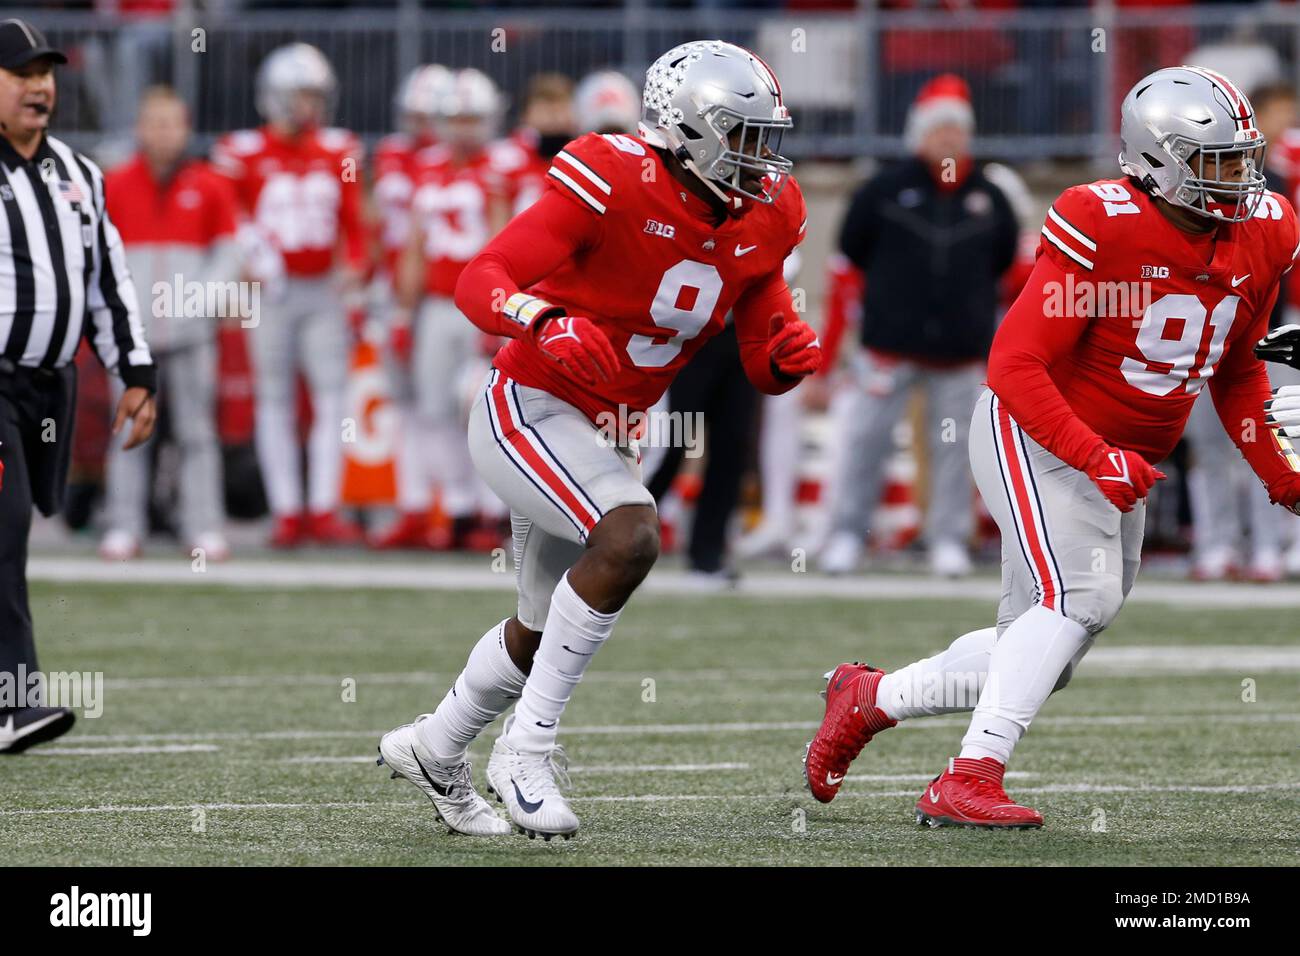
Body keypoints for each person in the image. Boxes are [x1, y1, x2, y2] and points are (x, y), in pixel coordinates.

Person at [805, 66, 1300, 828]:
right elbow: (1014, 365)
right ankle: (968, 776)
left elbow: (1235, 370)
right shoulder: (1102, 219)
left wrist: (1280, 474)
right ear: (1158, 160)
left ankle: (872, 697)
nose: (1240, 176)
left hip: (1122, 456)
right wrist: (1094, 455)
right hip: (1035, 428)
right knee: (1078, 597)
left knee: (1045, 655)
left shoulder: (1269, 227)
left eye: (1243, 157)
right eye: (1217, 161)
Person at [377, 40, 821, 839]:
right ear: (688, 130)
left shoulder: (768, 213)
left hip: (612, 427)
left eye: (767, 137)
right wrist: (543, 319)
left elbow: (761, 349)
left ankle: (436, 747)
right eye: (745, 137)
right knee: (631, 534)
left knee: (540, 625)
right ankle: (527, 751)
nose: (764, 160)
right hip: (530, 405)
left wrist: (787, 355)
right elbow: (483, 277)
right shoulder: (611, 175)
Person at [0, 18, 156, 752]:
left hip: (47, 390)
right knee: (4, 528)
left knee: (22, 524)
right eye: (21, 72)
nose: (39, 86)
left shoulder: (78, 172)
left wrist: (135, 372)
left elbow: (107, 283)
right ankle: (18, 700)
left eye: (46, 72)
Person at [820, 74, 1019, 578]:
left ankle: (947, 537)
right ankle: (847, 533)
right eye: (940, 127)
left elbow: (1003, 266)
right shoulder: (882, 191)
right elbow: (851, 254)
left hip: (959, 350)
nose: (949, 137)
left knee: (955, 449)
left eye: (958, 128)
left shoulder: (991, 197)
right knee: (867, 441)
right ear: (919, 133)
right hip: (889, 345)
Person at [212, 43, 368, 548]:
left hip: (322, 288)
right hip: (271, 293)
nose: (310, 105)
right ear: (275, 96)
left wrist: (356, 266)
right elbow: (229, 221)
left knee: (332, 399)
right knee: (273, 400)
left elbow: (352, 218)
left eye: (315, 95)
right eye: (301, 94)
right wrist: (245, 268)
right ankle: (285, 511)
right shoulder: (243, 152)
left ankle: (322, 508)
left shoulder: (338, 149)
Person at [99, 86, 238, 562]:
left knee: (198, 431)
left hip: (191, 332)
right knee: (131, 429)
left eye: (171, 123)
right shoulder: (115, 183)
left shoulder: (210, 184)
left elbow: (229, 251)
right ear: (140, 128)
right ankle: (123, 525)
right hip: (133, 334)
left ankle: (205, 526)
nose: (162, 133)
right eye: (154, 123)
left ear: (186, 128)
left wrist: (200, 301)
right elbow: (97, 253)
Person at [386, 69, 511, 552]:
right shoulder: (427, 167)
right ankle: (458, 509)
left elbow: (505, 244)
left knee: (483, 408)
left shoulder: (498, 168)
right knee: (435, 407)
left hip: (477, 304)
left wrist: (498, 309)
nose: (462, 128)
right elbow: (414, 246)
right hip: (437, 304)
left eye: (472, 118)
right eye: (455, 118)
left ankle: (492, 510)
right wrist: (402, 312)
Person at [369, 63, 452, 550]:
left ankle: (454, 509)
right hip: (395, 288)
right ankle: (414, 505)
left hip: (439, 291)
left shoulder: (454, 162)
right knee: (404, 402)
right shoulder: (392, 155)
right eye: (415, 116)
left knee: (447, 403)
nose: (421, 127)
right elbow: (378, 223)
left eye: (430, 117)